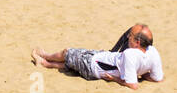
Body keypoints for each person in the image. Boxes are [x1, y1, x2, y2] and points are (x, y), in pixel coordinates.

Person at [31, 24, 163, 89]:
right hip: (99, 59)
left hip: (92, 64)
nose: (128, 37)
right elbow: (157, 79)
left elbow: (133, 85)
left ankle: (45, 55)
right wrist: (143, 74)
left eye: (131, 36)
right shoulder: (153, 52)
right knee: (71, 64)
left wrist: (115, 79)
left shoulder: (130, 55)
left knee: (68, 52)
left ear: (138, 42)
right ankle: (45, 63)